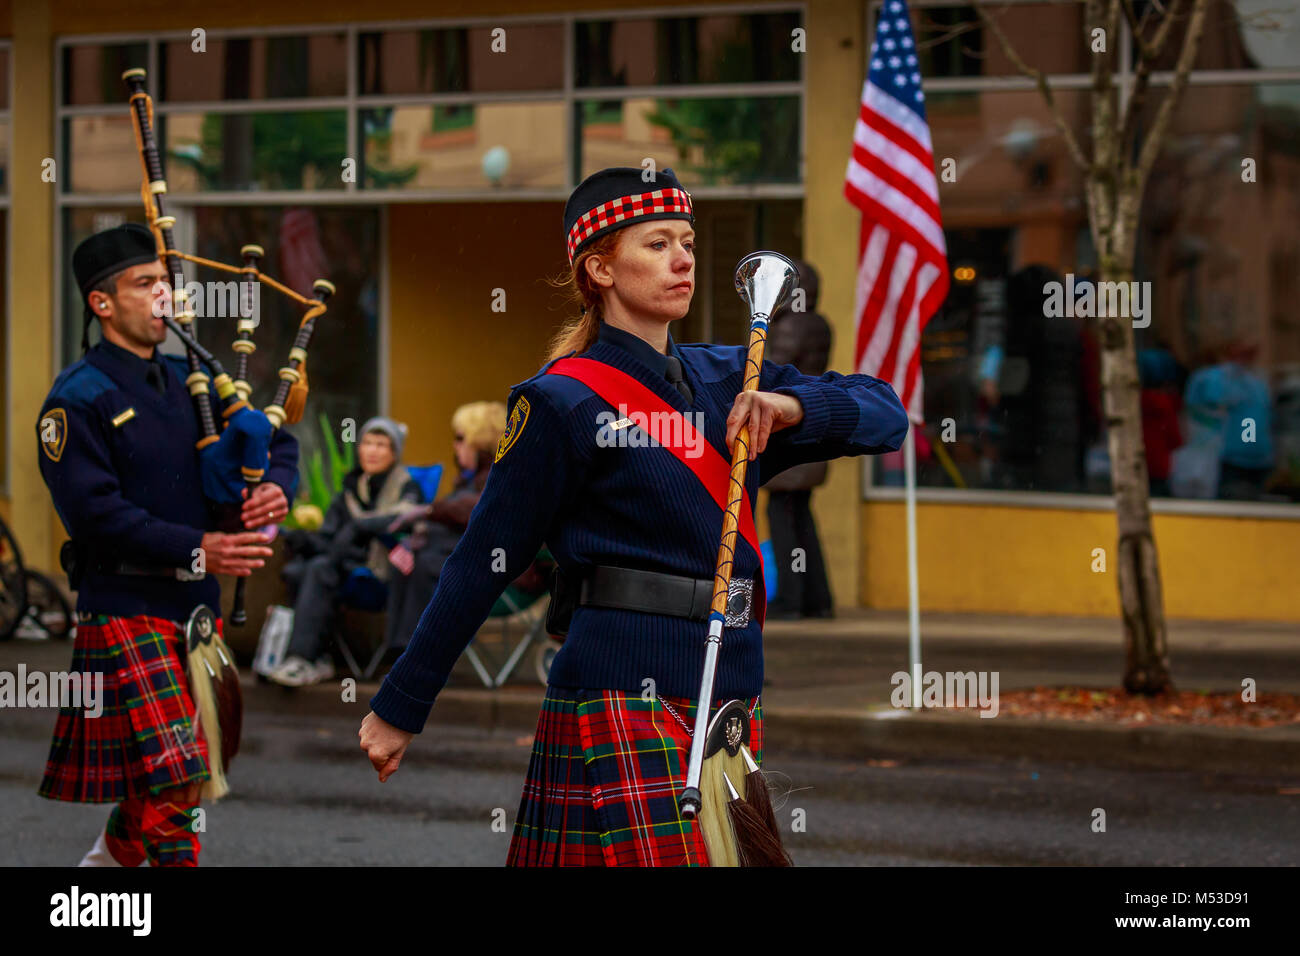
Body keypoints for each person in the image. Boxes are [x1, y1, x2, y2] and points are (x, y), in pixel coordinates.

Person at [358, 166, 908, 866]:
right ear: (601, 268)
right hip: (620, 685)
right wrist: (401, 704)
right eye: (656, 244)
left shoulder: (731, 378)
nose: (682, 258)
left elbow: (885, 414)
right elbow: (482, 559)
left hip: (728, 693)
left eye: (687, 241)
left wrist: (790, 407)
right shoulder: (560, 402)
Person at [36, 222, 299, 866]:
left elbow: (275, 438)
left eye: (166, 282)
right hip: (125, 606)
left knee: (165, 779)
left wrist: (277, 489)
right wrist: (198, 548)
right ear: (102, 303)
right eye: (144, 283)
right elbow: (97, 517)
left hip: (192, 615)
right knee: (176, 781)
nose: (164, 296)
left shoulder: (195, 381)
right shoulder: (76, 401)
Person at [270, 417, 422, 687]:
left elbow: (408, 517)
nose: (372, 451)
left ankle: (302, 658)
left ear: (394, 453)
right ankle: (316, 658)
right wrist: (302, 538)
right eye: (367, 443)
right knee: (298, 569)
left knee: (319, 569)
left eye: (381, 445)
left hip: (382, 574)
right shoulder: (349, 491)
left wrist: (361, 526)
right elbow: (329, 540)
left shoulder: (406, 486)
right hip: (344, 566)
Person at [384, 402, 505, 656]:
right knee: (407, 556)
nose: (454, 445)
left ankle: (415, 652)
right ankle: (400, 650)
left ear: (480, 442)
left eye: (460, 438)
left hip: (504, 572)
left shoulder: (502, 474)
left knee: (427, 561)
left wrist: (430, 512)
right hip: (471, 564)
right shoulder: (469, 479)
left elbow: (480, 511)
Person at [763, 257, 834, 619]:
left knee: (782, 517)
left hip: (790, 433)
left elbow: (769, 372)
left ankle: (791, 599)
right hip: (813, 428)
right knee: (802, 518)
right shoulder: (820, 323)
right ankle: (818, 600)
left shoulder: (791, 326)